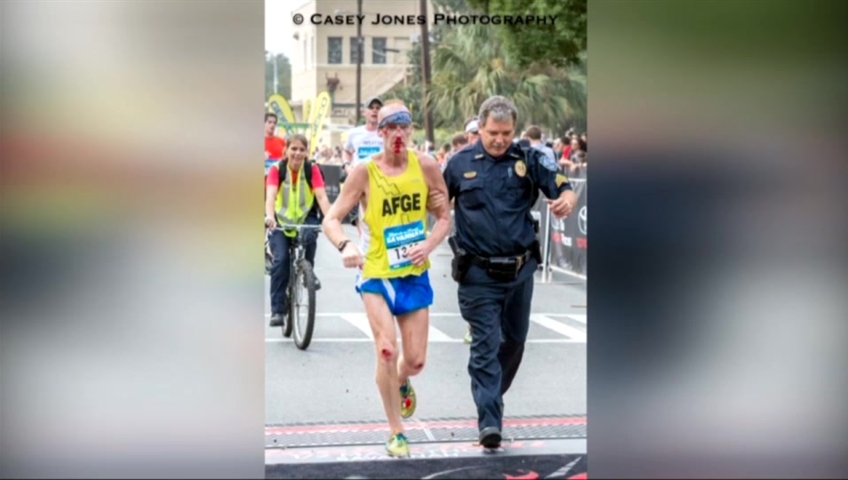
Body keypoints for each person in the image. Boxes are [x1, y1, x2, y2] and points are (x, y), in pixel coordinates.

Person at [443, 96, 576, 449]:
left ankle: (490, 393)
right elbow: (437, 207)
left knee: (515, 340)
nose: (499, 139)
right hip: (478, 275)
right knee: (485, 347)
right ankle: (489, 421)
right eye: (492, 133)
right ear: (479, 128)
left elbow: (562, 185)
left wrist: (567, 198)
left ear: (513, 130)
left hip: (519, 272)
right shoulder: (458, 165)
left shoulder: (528, 160)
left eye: (505, 133)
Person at [321, 102, 451, 458]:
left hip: (413, 273)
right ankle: (397, 432)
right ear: (379, 132)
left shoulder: (425, 166)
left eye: (403, 127)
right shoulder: (364, 172)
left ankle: (402, 379)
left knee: (415, 360)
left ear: (411, 131)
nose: (397, 134)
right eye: (390, 128)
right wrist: (346, 245)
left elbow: (444, 217)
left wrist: (428, 244)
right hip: (376, 271)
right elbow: (331, 219)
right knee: (386, 348)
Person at [265, 134, 332, 328]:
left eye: (301, 149)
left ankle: (307, 270)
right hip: (280, 220)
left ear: (306, 152)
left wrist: (330, 220)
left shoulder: (312, 170)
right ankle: (277, 310)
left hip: (305, 216)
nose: (297, 153)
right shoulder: (276, 170)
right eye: (293, 148)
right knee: (281, 261)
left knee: (310, 236)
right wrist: (269, 217)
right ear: (285, 150)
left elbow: (322, 197)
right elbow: (270, 197)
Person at [343, 96, 384, 174]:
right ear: (364, 112)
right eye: (371, 108)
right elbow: (347, 151)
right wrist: (346, 166)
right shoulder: (354, 133)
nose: (374, 110)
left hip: (380, 178)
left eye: (378, 108)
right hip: (359, 178)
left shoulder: (387, 133)